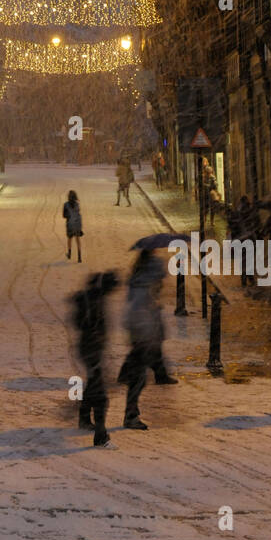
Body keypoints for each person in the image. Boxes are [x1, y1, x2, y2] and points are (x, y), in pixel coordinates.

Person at [118, 248, 173, 428]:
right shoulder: (144, 291)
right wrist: (148, 332)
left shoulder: (139, 283)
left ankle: (131, 411)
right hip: (143, 333)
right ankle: (130, 416)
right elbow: (137, 313)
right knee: (139, 378)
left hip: (141, 332)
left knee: (138, 373)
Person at [68, 271, 118, 448]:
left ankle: (83, 417)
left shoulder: (92, 300)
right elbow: (92, 327)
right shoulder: (95, 303)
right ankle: (101, 436)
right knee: (101, 395)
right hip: (92, 349)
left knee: (94, 384)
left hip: (89, 348)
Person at [62, 189, 84, 262]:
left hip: (70, 225)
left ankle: (69, 254)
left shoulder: (66, 204)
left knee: (69, 239)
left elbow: (64, 216)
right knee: (78, 240)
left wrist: (69, 216)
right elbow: (78, 213)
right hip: (77, 224)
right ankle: (79, 257)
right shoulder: (77, 204)